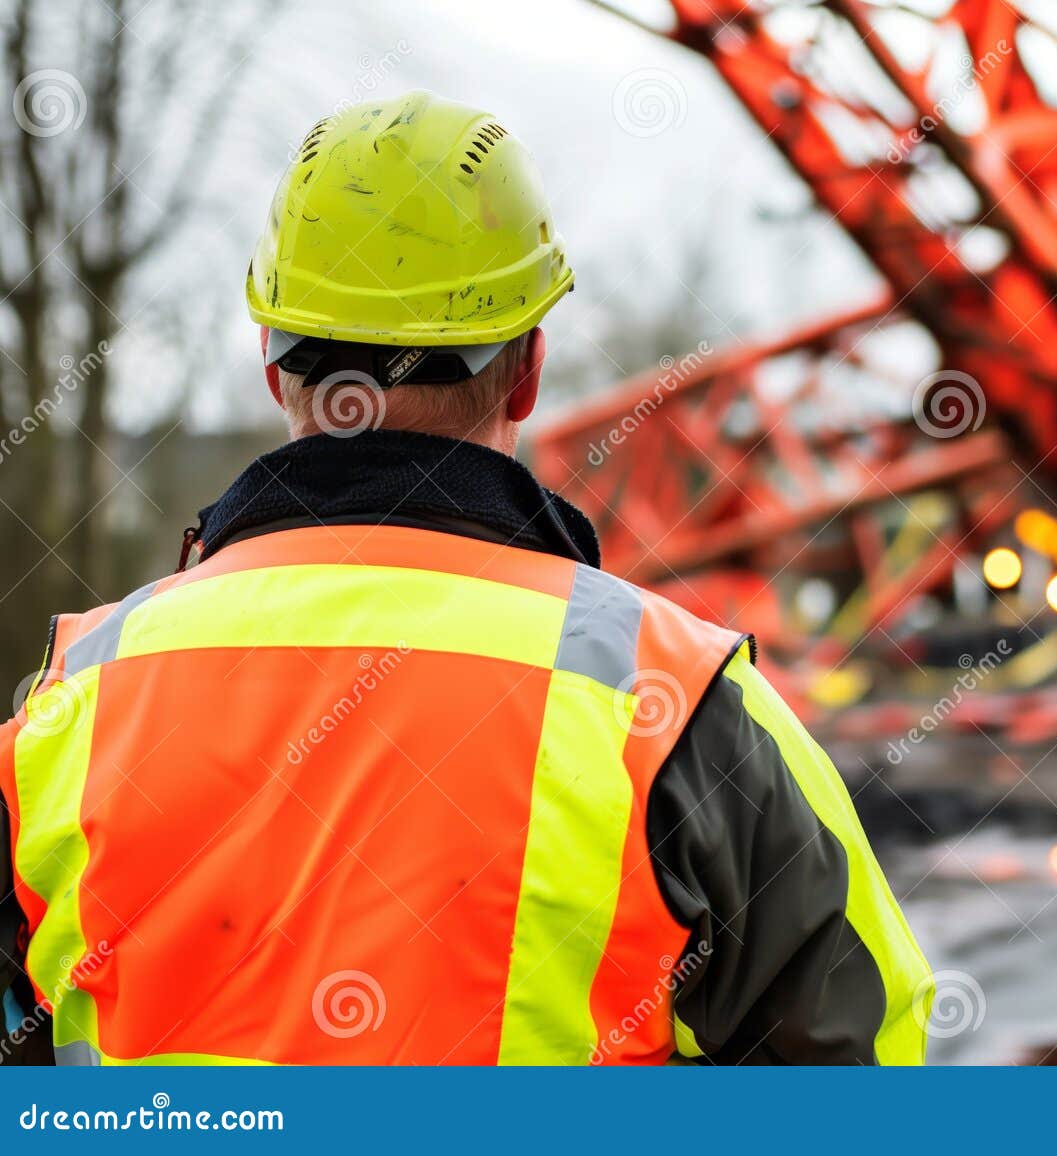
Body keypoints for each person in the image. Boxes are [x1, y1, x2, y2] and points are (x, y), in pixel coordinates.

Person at [0, 91, 931, 1066]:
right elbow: (864, 1066)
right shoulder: (681, 704)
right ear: (527, 369)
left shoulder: (74, 701)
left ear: (274, 368)